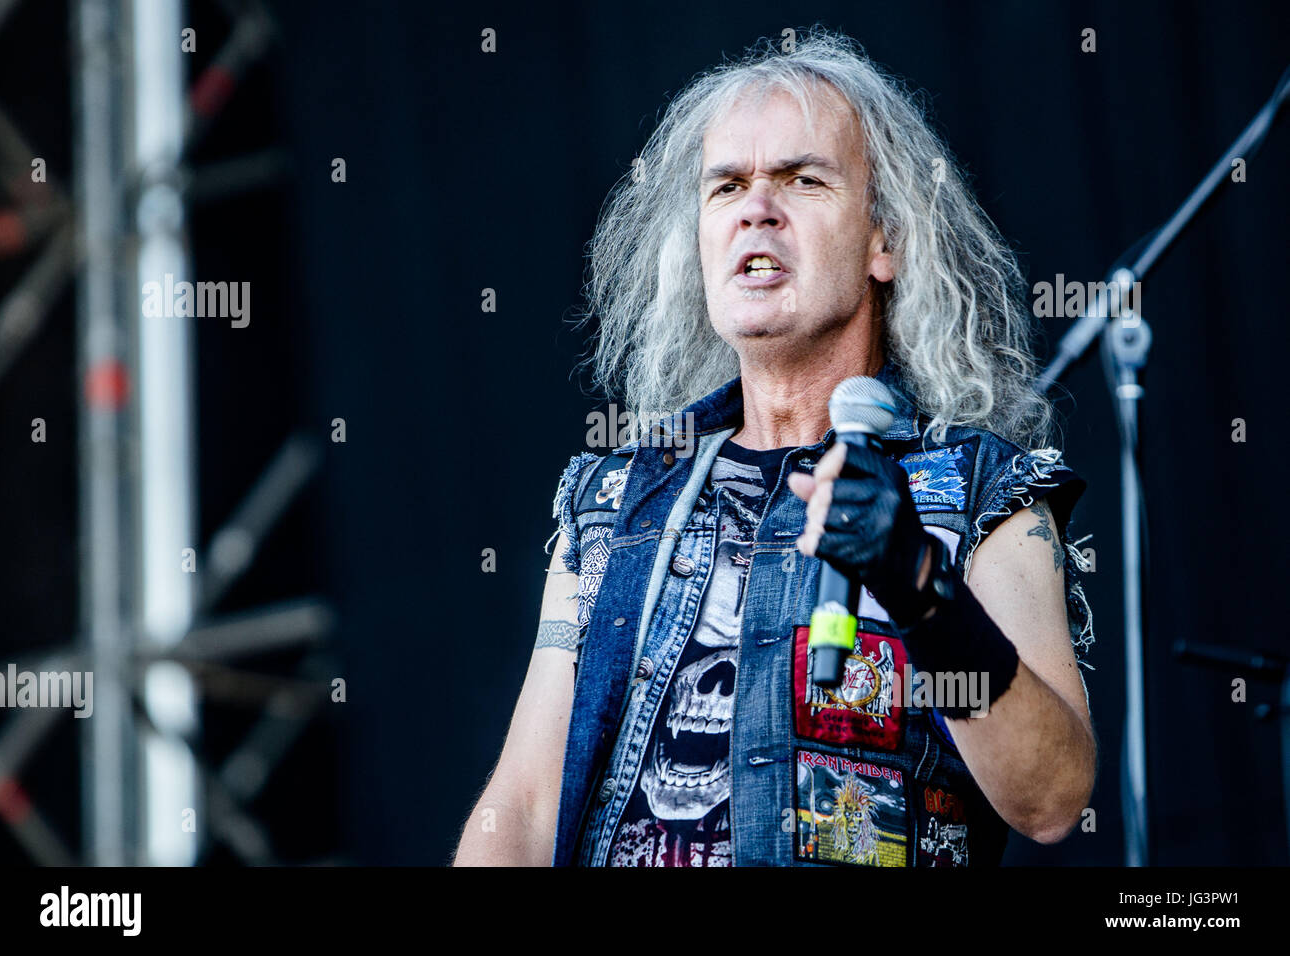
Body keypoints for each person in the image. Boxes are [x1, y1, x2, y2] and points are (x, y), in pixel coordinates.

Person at [453, 29, 1096, 867]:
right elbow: (526, 806)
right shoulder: (612, 499)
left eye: (803, 179)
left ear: (884, 242)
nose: (758, 206)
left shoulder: (981, 491)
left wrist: (919, 587)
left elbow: (1051, 799)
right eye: (727, 187)